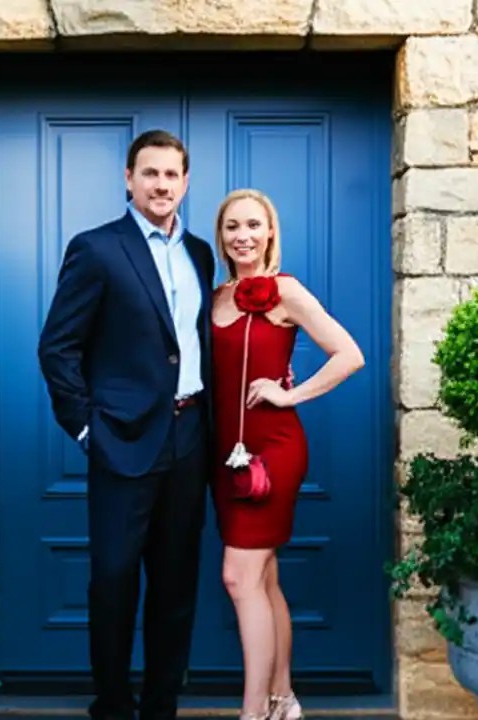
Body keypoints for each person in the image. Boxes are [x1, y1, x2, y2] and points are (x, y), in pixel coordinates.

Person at [37, 129, 215, 720]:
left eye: (171, 175)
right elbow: (58, 347)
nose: (161, 185)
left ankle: (161, 706)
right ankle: (112, 703)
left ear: (185, 182)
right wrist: (87, 429)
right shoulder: (97, 249)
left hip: (189, 438)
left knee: (175, 583)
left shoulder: (200, 253)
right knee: (113, 580)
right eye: (150, 173)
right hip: (121, 440)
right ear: (129, 179)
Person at [209, 189, 364, 720]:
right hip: (226, 455)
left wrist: (290, 394)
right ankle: (283, 699)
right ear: (221, 234)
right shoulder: (216, 295)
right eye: (232, 226)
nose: (243, 236)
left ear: (270, 231)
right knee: (264, 577)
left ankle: (253, 712)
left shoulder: (285, 290)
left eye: (254, 225)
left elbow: (349, 355)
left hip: (272, 452)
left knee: (239, 577)